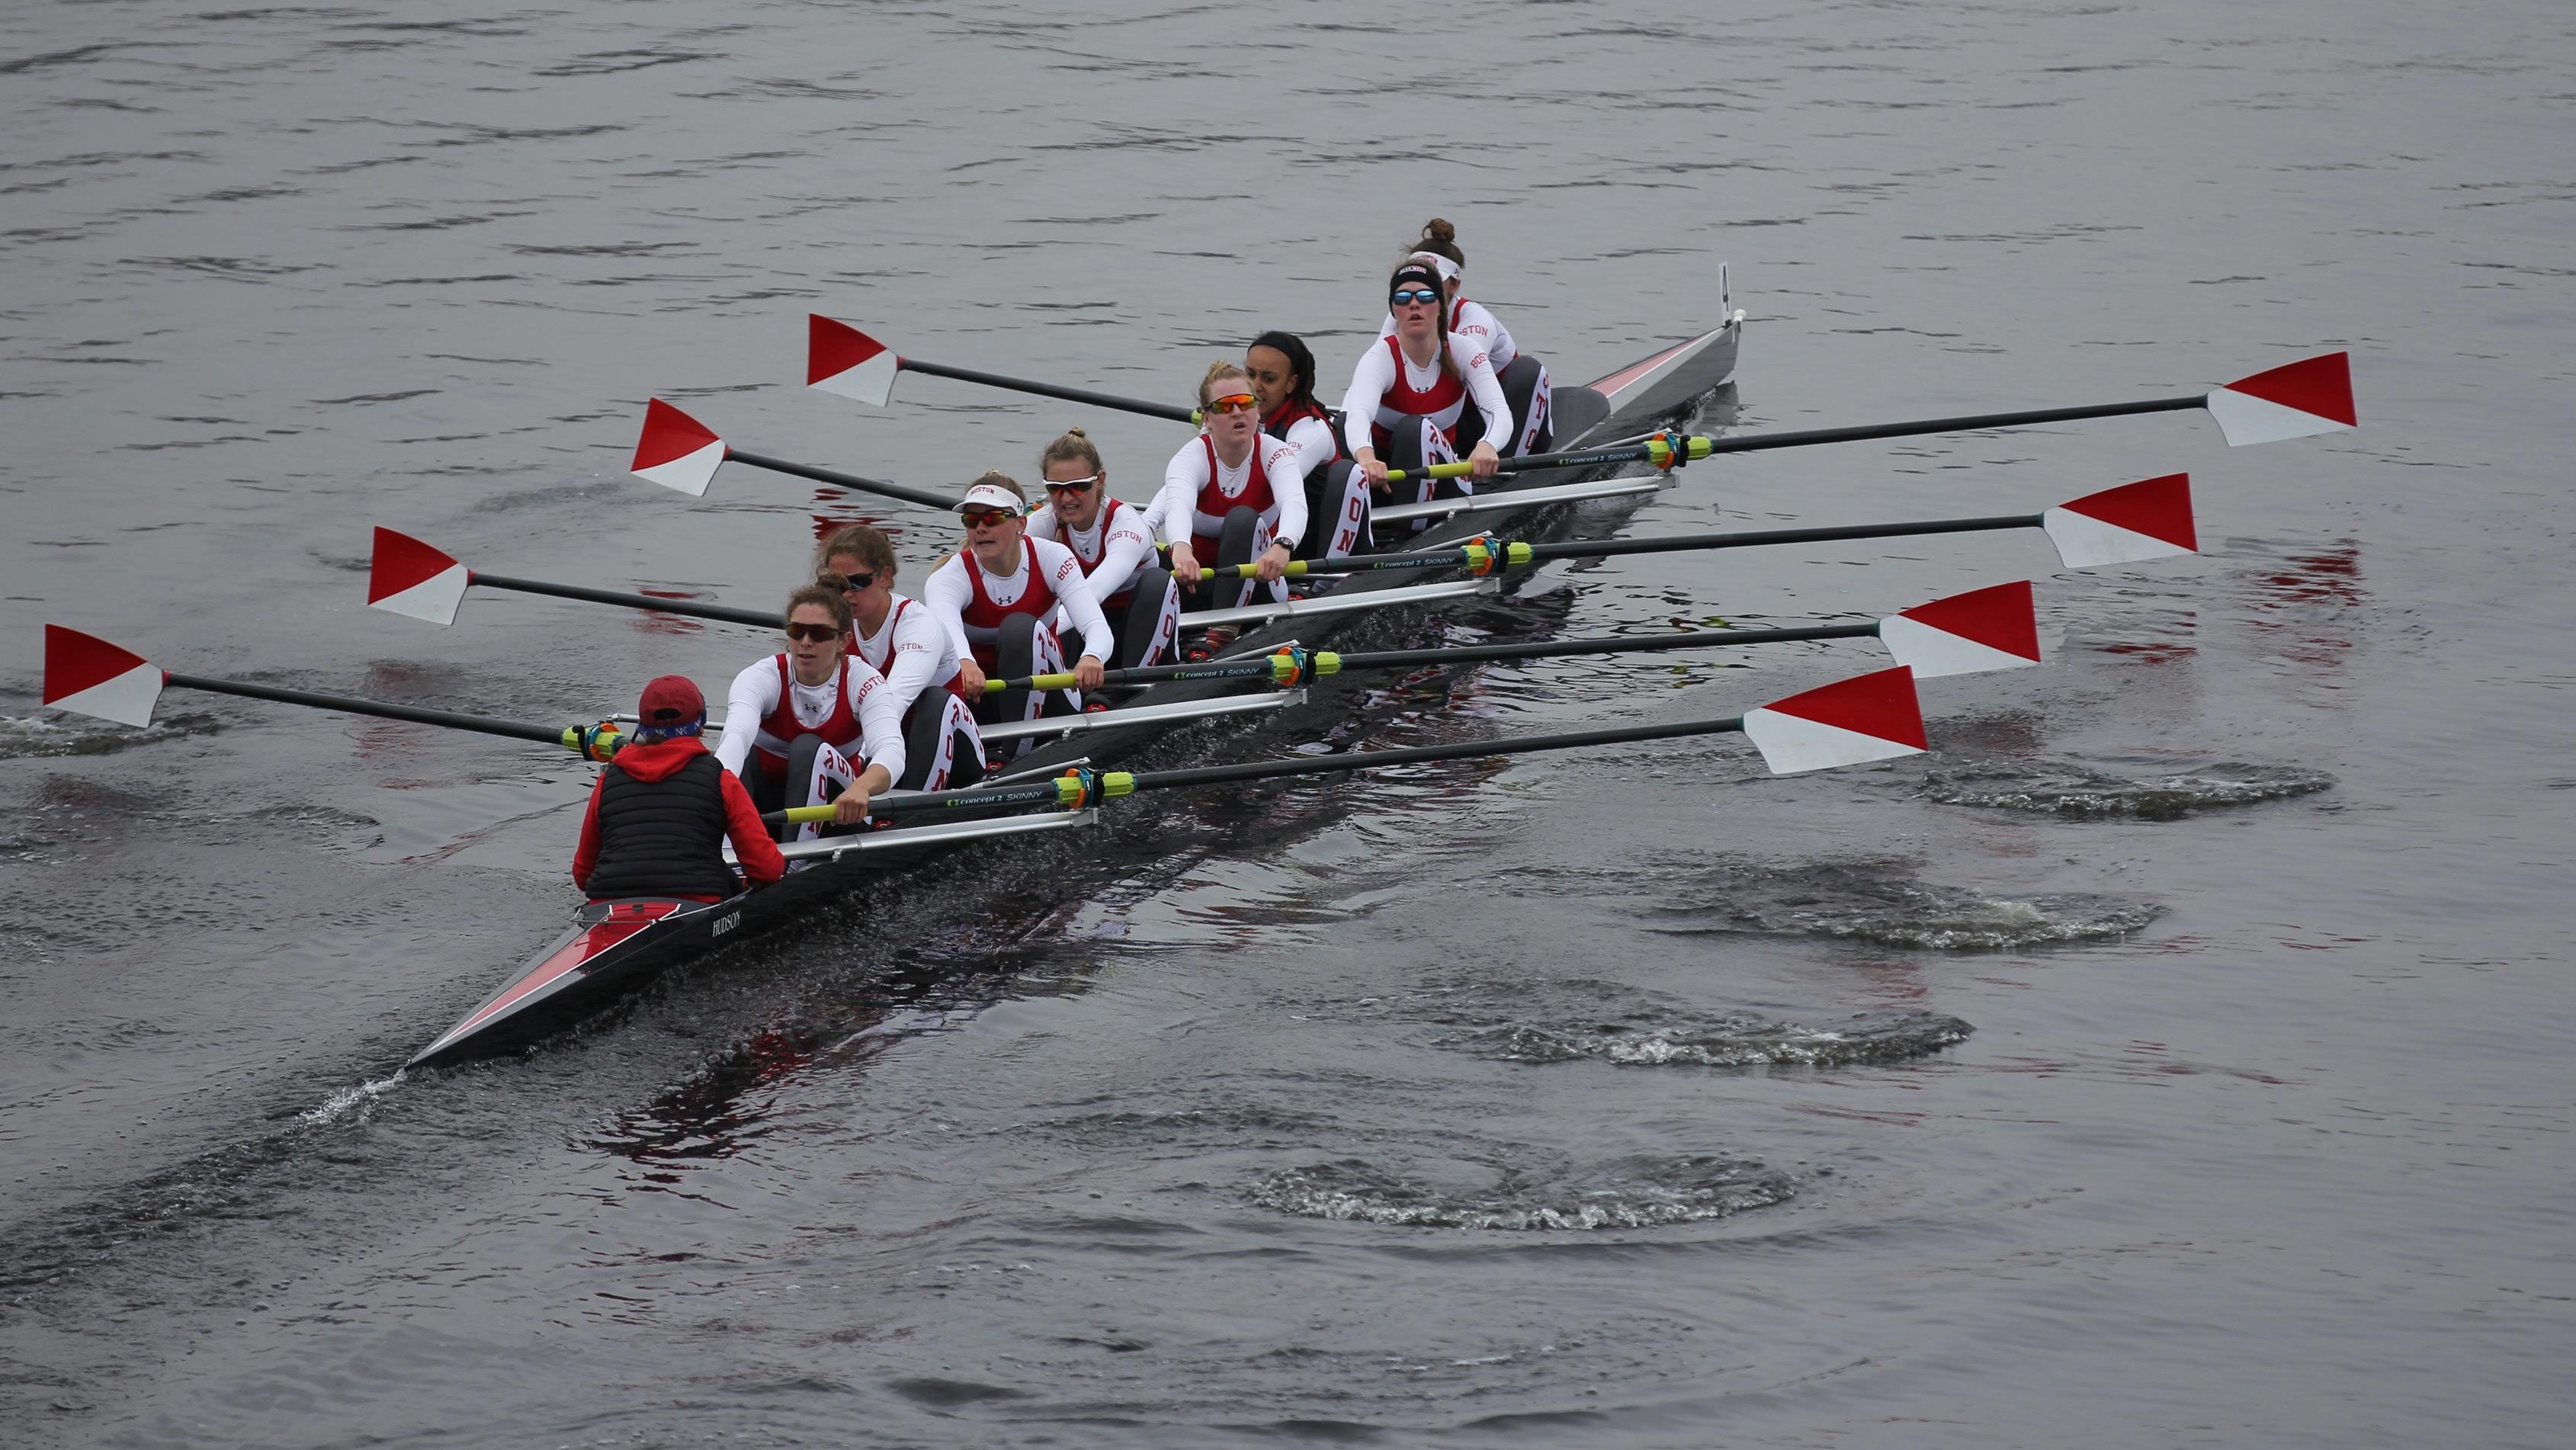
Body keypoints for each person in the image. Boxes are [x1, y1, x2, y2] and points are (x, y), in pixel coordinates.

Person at [922, 472, 1116, 739]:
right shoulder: (947, 578)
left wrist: (1093, 656)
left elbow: (1096, 625)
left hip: (1052, 696)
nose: (981, 527)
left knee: (1019, 627)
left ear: (1020, 523)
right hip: (981, 696)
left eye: (993, 518)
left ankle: (1015, 749)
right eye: (972, 519)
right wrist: (965, 662)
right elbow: (949, 630)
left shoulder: (1053, 558)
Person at [713, 584, 904, 839]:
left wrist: (863, 786)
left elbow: (891, 750)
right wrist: (712, 789)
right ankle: (732, 857)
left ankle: (793, 865)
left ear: (843, 641)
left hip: (839, 811)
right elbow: (736, 735)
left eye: (820, 633)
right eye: (796, 631)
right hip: (769, 807)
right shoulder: (760, 677)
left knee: (807, 748)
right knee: (738, 756)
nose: (805, 642)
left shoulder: (864, 681)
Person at [572, 674, 784, 901]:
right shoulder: (721, 779)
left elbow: (583, 876)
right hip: (697, 907)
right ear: (701, 724)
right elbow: (767, 869)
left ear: (642, 727)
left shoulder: (608, 782)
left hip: (609, 909)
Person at [1340, 258, 1513, 525]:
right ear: (1394, 310)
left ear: (1440, 307)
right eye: (1403, 298)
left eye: (1425, 295)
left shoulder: (1465, 351)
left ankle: (1411, 532)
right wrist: (1366, 457)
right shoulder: (1379, 357)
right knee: (1339, 429)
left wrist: (1487, 445)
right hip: (1384, 478)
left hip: (1446, 480)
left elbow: (1499, 411)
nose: (1414, 304)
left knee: (1415, 429)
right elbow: (1358, 413)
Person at [814, 524, 985, 794]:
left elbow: (893, 700)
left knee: (934, 702)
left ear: (885, 577)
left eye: (856, 583)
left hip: (948, 751)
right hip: (884, 756)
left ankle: (908, 819)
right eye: (835, 586)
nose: (845, 595)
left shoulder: (918, 624)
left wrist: (860, 765)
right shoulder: (833, 630)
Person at [1375, 219, 1551, 457]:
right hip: (1450, 420)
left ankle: (1506, 472)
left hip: (1499, 418)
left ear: (1454, 286)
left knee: (1528, 369)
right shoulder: (1399, 316)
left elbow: (1453, 378)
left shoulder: (1475, 321)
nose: (1422, 289)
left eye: (1433, 280)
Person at [1156, 361, 1309, 615]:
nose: (1237, 412)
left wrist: (1283, 545)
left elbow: (1294, 501)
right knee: (1150, 563)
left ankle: (1222, 630)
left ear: (1257, 411)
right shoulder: (1190, 458)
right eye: (1225, 406)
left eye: (1246, 402)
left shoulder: (1276, 453)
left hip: (1261, 584)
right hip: (1197, 581)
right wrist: (1181, 548)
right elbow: (1178, 506)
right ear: (1207, 418)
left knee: (1242, 519)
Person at [1025, 427, 1179, 671]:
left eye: (1078, 486)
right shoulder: (1043, 522)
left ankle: (1133, 687)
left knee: (1157, 581)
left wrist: (1031, 635)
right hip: (1081, 631)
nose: (1066, 499)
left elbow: (1093, 592)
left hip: (1138, 627)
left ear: (1100, 482)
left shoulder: (1126, 524)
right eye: (1055, 488)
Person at [1246, 330, 1370, 560]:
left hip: (1312, 546)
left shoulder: (1311, 430)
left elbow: (1265, 486)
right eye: (1250, 375)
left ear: (1292, 383)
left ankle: (1323, 584)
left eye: (1268, 379)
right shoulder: (1243, 418)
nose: (1255, 387)